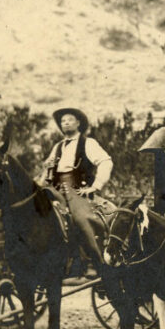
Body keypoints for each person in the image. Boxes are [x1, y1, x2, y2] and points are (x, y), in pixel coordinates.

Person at [39, 107, 113, 284]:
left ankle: (92, 263)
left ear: (78, 123)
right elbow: (47, 173)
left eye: (70, 119)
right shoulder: (57, 147)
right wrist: (42, 177)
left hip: (76, 189)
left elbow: (106, 162)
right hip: (55, 189)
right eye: (63, 121)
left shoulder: (88, 143)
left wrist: (95, 186)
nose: (65, 123)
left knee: (80, 218)